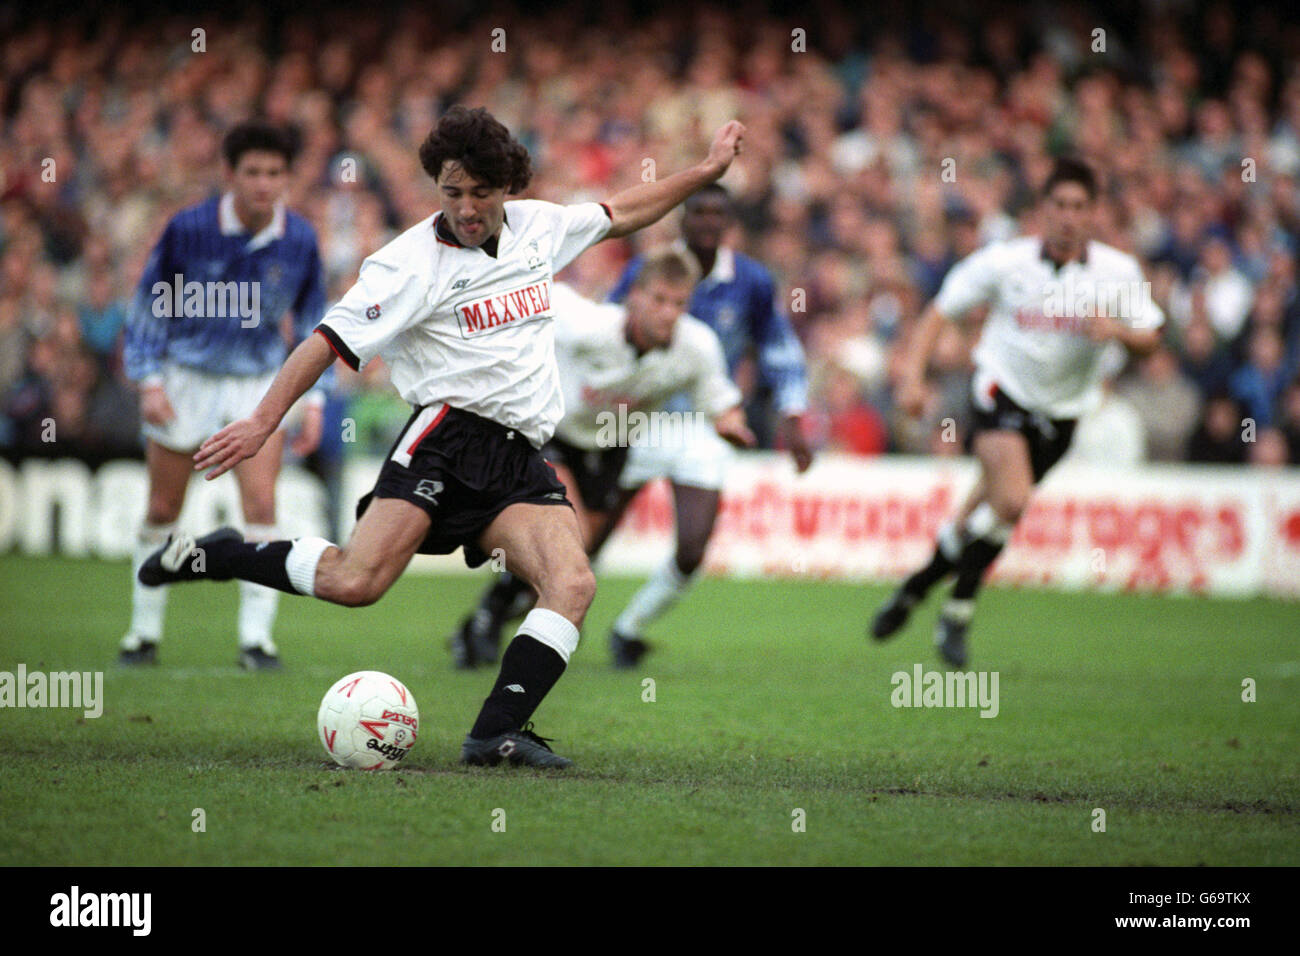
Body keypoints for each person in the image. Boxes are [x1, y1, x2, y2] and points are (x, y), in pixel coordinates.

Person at [137, 106, 747, 768]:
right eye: (451, 192)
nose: (466, 208)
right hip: (444, 441)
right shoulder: (406, 264)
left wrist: (705, 170)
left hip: (518, 459)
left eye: (480, 193)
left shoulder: (540, 227)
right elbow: (328, 342)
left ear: (506, 186)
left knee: (572, 584)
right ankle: (222, 555)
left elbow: (625, 210)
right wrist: (262, 420)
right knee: (355, 582)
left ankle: (495, 735)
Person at [872, 157, 1164, 665]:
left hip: (1063, 415)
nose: (1069, 216)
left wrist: (1117, 331)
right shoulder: (1005, 262)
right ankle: (958, 610)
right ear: (1042, 210)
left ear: (1093, 213)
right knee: (1012, 501)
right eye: (1060, 205)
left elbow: (1152, 338)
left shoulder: (1118, 273)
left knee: (973, 522)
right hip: (999, 394)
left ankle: (914, 590)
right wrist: (914, 378)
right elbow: (940, 310)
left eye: (1079, 206)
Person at [449, 248, 754, 669]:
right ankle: (501, 625)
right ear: (634, 296)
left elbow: (719, 400)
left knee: (579, 551)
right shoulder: (587, 327)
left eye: (679, 303)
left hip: (611, 447)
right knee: (568, 539)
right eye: (659, 300)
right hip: (552, 434)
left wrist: (731, 424)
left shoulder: (697, 345)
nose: (669, 313)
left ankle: (490, 613)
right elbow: (539, 295)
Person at [119, 120, 326, 670]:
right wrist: (150, 380)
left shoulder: (301, 238)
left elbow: (316, 322)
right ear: (230, 174)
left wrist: (316, 399)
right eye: (253, 171)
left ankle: (257, 641)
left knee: (260, 505)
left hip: (259, 384)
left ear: (287, 177)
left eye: (275, 172)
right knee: (164, 506)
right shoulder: (187, 228)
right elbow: (149, 303)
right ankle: (142, 635)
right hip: (185, 376)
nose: (264, 183)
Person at [600, 184, 814, 667]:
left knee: (693, 547)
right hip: (637, 417)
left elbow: (779, 350)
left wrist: (793, 416)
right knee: (586, 534)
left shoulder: (752, 281)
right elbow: (608, 330)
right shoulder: (648, 269)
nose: (707, 222)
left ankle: (628, 628)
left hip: (703, 423)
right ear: (682, 218)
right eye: (698, 212)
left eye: (718, 214)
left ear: (729, 222)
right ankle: (496, 614)